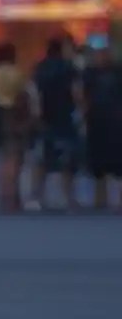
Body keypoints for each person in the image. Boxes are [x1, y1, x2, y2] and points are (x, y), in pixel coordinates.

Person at [30, 37, 83, 210]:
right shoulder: (69, 68)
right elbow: (77, 93)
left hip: (45, 119)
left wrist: (36, 115)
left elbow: (34, 93)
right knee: (67, 161)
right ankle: (69, 199)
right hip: (65, 117)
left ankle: (37, 197)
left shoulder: (40, 68)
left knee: (43, 160)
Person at [0, 42, 37, 212]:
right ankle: (13, 195)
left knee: (0, 161)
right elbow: (27, 96)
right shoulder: (17, 74)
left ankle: (2, 195)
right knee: (15, 160)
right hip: (15, 120)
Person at [81, 39, 122, 209]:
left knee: (118, 165)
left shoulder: (118, 72)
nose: (101, 56)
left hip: (116, 124)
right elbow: (82, 96)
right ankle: (100, 201)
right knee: (98, 166)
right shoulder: (89, 73)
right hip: (96, 122)